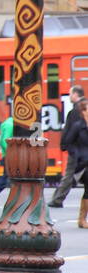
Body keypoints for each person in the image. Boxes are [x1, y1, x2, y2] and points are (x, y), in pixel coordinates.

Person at [50, 85, 86, 208]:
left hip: (77, 149)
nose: (69, 96)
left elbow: (72, 131)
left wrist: (65, 145)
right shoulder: (83, 108)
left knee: (69, 175)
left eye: (70, 94)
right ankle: (57, 198)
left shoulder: (76, 110)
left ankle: (57, 199)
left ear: (76, 94)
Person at [60, 96, 88, 228]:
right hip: (82, 163)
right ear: (83, 111)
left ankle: (82, 219)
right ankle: (82, 219)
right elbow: (65, 143)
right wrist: (77, 154)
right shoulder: (78, 126)